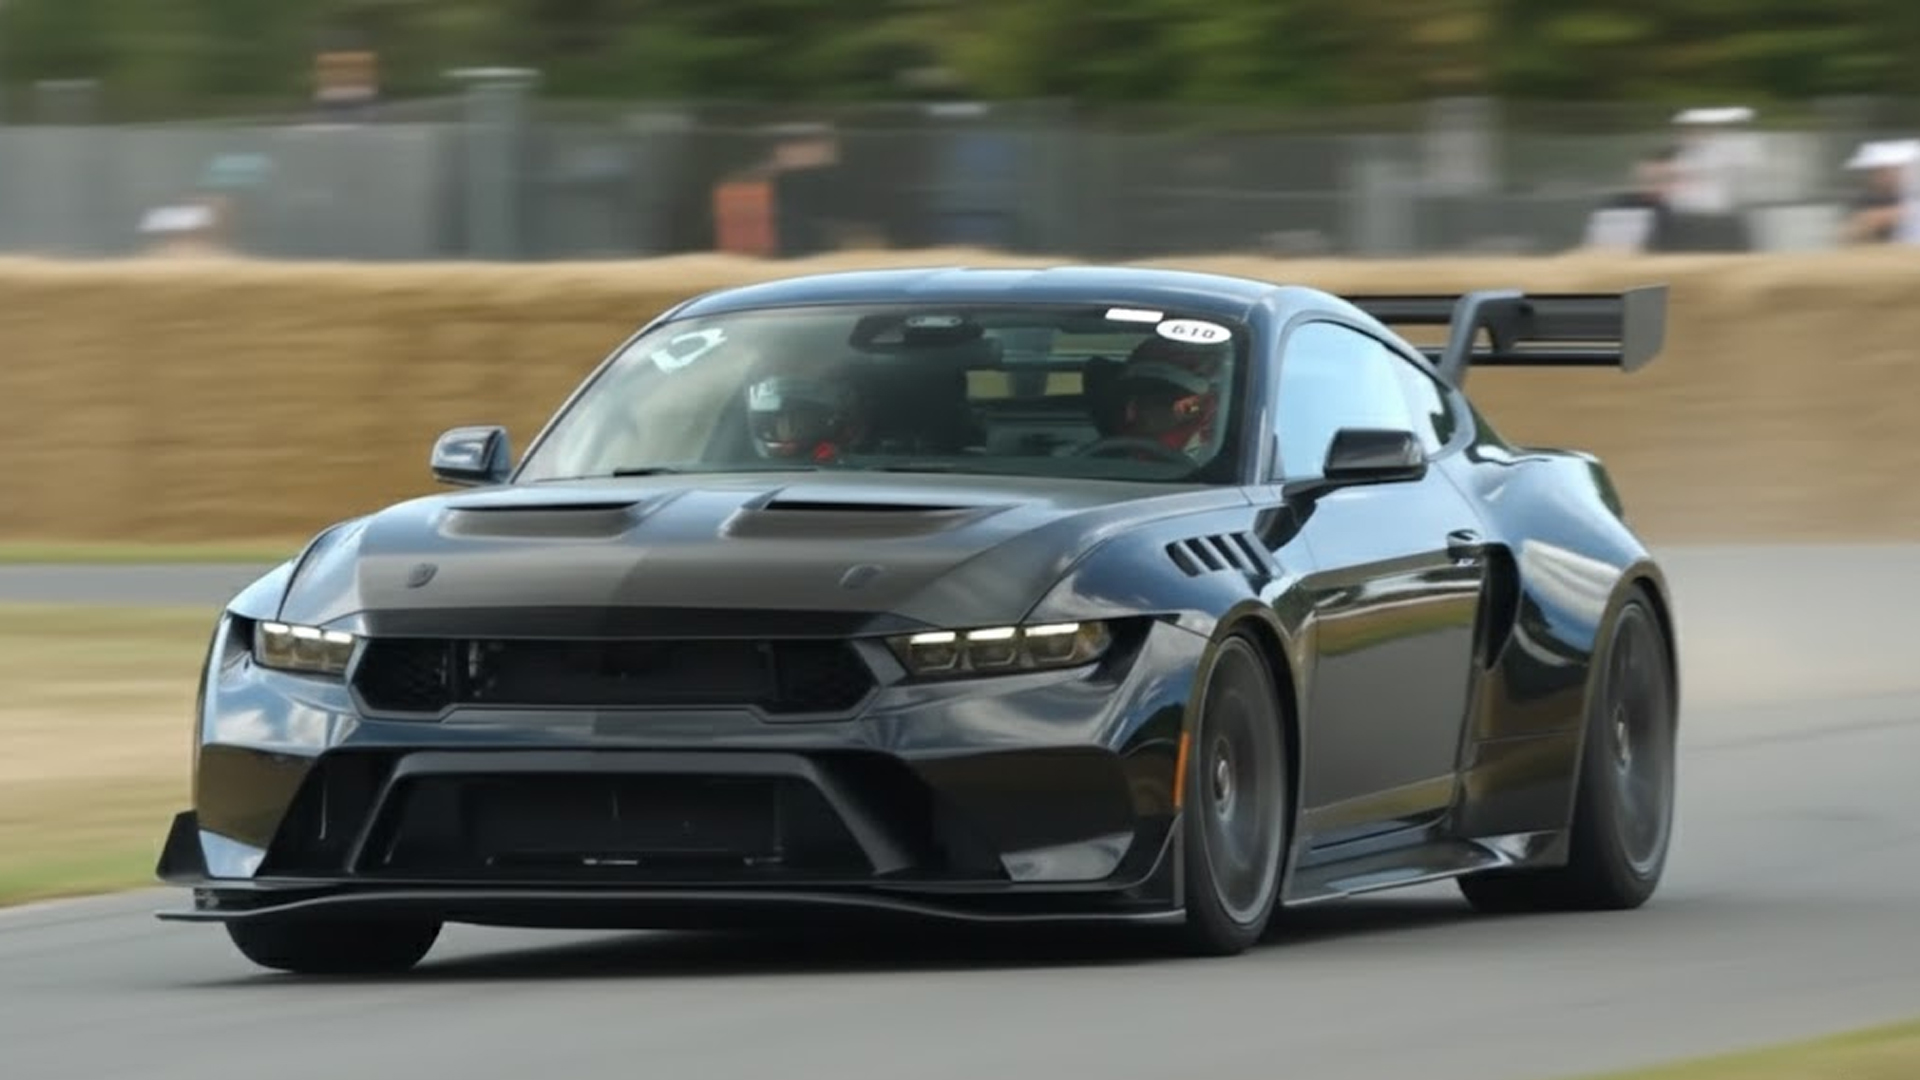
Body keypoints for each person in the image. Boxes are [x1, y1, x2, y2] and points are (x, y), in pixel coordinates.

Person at [1107, 335, 1230, 458]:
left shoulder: (1219, 434)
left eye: (1159, 400)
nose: (1131, 411)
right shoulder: (1117, 439)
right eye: (1136, 397)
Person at [744, 363, 870, 463]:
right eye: (776, 423)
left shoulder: (855, 464)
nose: (787, 431)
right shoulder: (756, 464)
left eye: (801, 421)